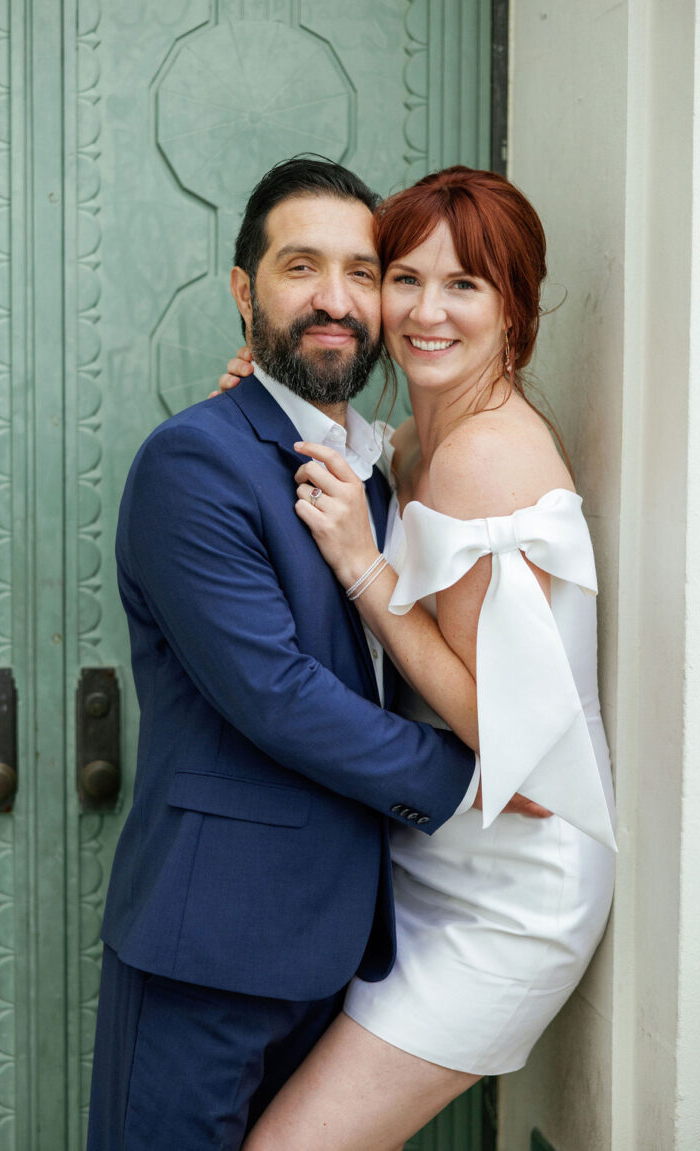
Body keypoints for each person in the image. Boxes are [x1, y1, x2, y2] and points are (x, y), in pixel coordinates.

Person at [86, 157, 544, 1151]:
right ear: (246, 290)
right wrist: (480, 772)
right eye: (302, 267)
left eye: (363, 270)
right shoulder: (196, 459)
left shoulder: (384, 471)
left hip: (346, 951)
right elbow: (278, 693)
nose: (336, 299)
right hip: (205, 948)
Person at [217, 166, 617, 1151]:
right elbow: (376, 463)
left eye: (465, 286)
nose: (426, 312)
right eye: (406, 278)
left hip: (509, 891)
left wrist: (364, 570)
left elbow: (504, 734)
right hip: (428, 857)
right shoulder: (425, 439)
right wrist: (274, 407)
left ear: (514, 311)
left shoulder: (487, 455)